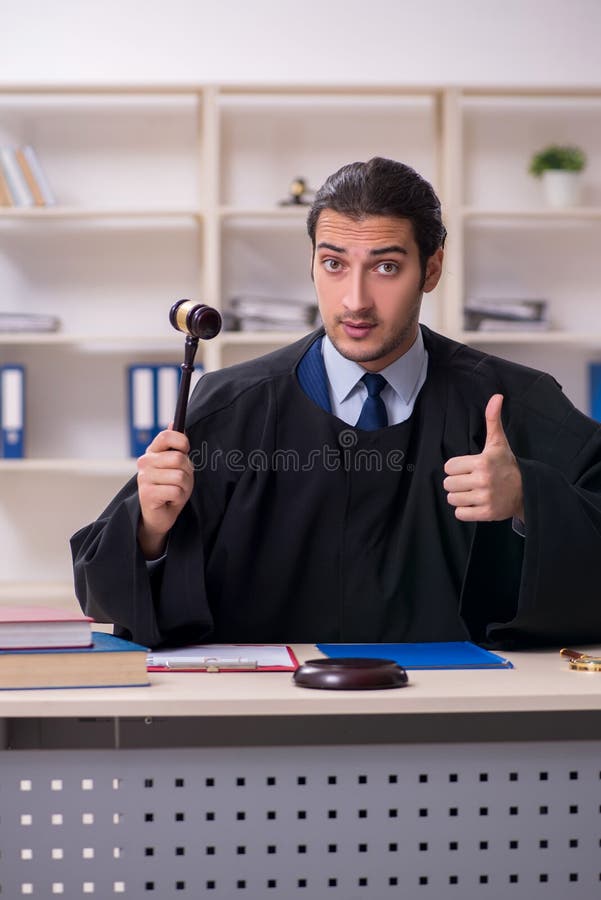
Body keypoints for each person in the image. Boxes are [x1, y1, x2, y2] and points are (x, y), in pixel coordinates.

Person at [71, 157, 601, 650]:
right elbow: (98, 590)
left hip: (463, 725)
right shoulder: (230, 408)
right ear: (312, 266)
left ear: (432, 269)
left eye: (386, 267)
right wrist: (150, 530)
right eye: (334, 264)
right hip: (266, 725)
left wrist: (532, 498)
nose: (356, 300)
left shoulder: (516, 406)